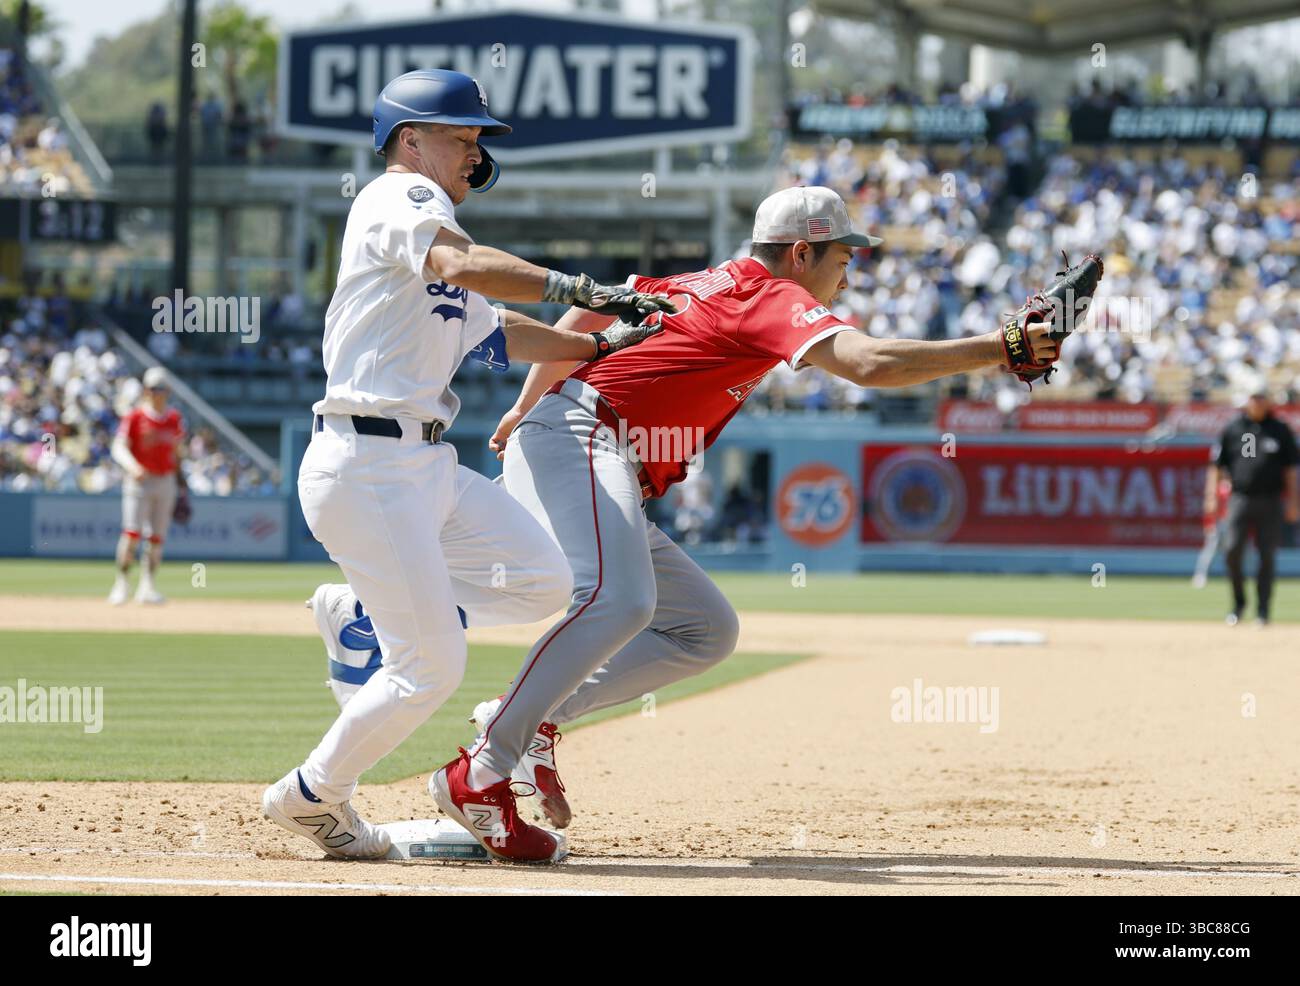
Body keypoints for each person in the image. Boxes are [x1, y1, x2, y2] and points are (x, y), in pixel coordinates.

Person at [432, 185, 1065, 861]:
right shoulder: (775, 295)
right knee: (621, 600)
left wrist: (525, 404)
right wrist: (997, 348)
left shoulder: (702, 280)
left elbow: (594, 309)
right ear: (800, 252)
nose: (850, 268)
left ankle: (538, 716)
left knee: (705, 630)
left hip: (580, 438)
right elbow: (870, 364)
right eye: (844, 253)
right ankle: (485, 765)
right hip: (584, 436)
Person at [259, 69, 674, 862]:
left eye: (477, 139)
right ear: (409, 139)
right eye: (460, 136)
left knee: (544, 580)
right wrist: (583, 288)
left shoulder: (435, 234)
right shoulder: (400, 198)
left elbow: (499, 331)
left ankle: (359, 611)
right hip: (368, 461)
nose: (473, 153)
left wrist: (597, 342)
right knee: (429, 670)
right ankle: (314, 796)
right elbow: (464, 265)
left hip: (422, 465)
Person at [1207, 389, 1300, 625]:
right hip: (1240, 498)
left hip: (1270, 500)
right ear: (1247, 401)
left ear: (1268, 401)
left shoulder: (1280, 429)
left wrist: (1293, 500)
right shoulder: (1234, 428)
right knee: (1232, 550)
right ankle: (1238, 604)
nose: (1258, 402)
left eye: (1262, 397)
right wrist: (1211, 497)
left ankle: (1263, 610)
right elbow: (1217, 465)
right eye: (1254, 398)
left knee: (1267, 556)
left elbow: (1291, 469)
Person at [109, 366, 185, 605]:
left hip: (165, 480)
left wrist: (181, 482)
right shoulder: (135, 416)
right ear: (145, 390)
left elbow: (177, 452)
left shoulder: (174, 418)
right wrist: (132, 467)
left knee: (156, 538)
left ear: (168, 391)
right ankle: (121, 584)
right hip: (139, 481)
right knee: (132, 534)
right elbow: (118, 447)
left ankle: (147, 587)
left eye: (161, 389)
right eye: (153, 389)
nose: (157, 393)